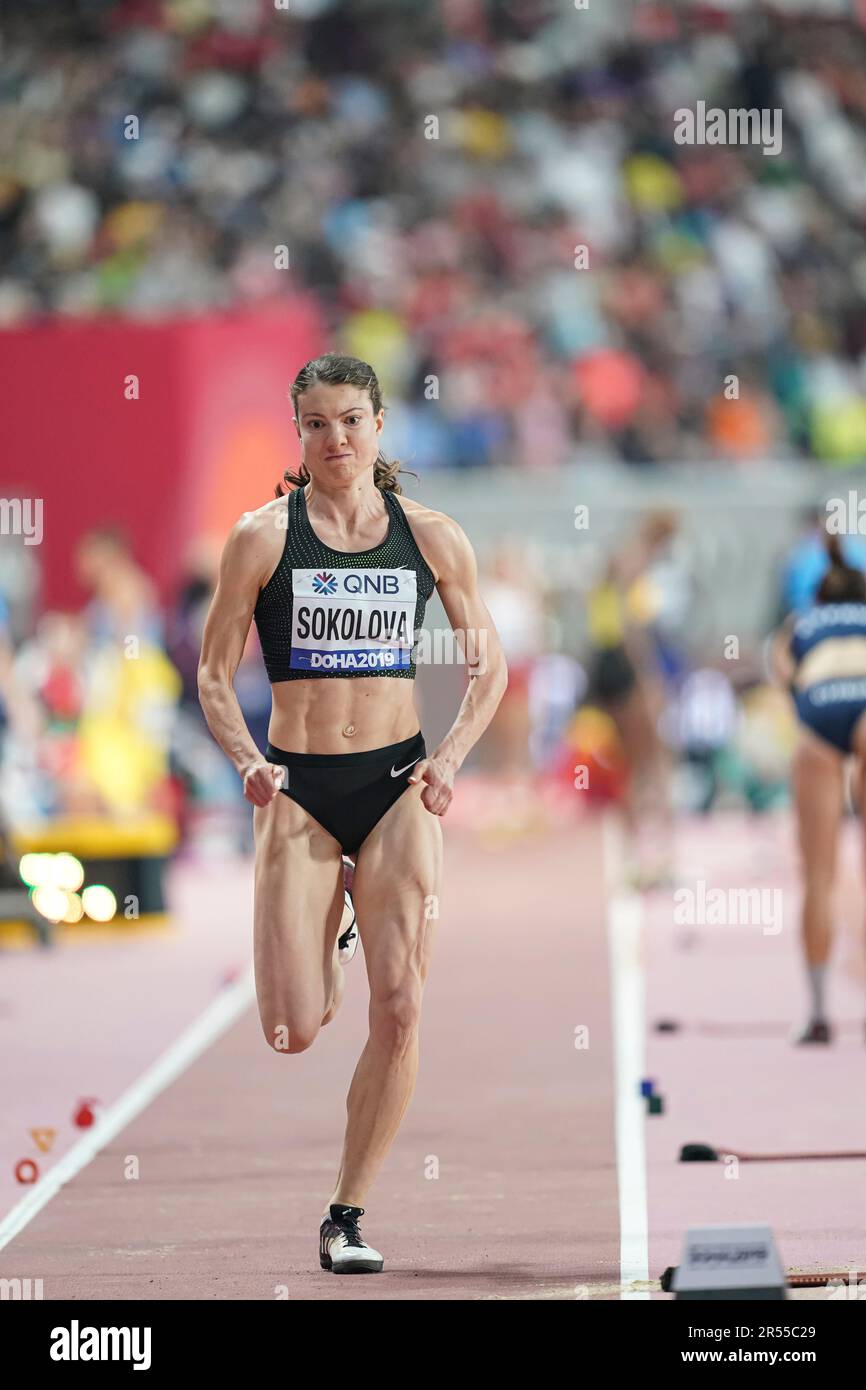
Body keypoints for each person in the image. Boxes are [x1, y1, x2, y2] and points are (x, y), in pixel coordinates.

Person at [197, 353, 507, 1272]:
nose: (335, 439)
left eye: (351, 421)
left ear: (380, 427)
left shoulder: (433, 537)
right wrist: (249, 762)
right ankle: (333, 935)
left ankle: (347, 1214)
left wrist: (448, 760)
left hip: (396, 785)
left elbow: (487, 664)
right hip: (296, 791)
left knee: (402, 1006)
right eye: (317, 424)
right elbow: (214, 674)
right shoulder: (261, 539)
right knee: (292, 1031)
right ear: (299, 436)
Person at [771, 532, 866, 1044]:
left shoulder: (801, 622)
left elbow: (785, 678)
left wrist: (811, 705)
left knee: (819, 875)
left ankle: (818, 1013)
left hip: (821, 709)